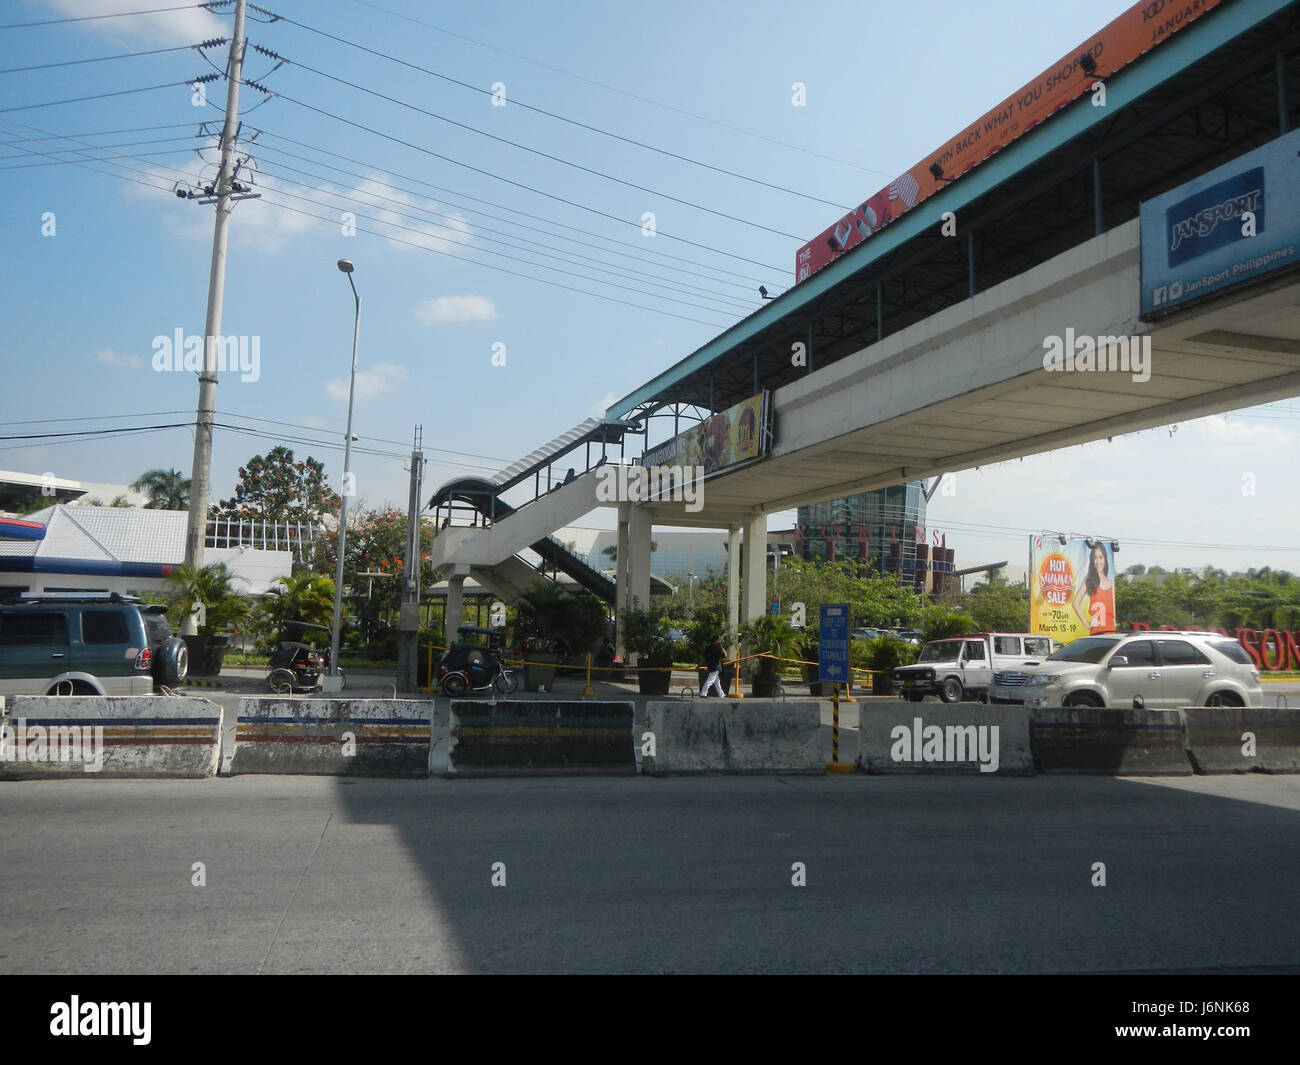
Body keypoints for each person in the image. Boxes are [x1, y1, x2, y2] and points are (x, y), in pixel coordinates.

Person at [1072, 541, 1115, 633]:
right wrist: (1087, 624)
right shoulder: (1089, 579)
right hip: (1096, 633)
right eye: (1095, 557)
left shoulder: (1112, 583)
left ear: (1105, 559)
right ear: (1092, 560)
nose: (1098, 561)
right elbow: (1075, 603)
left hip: (1111, 632)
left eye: (1101, 557)